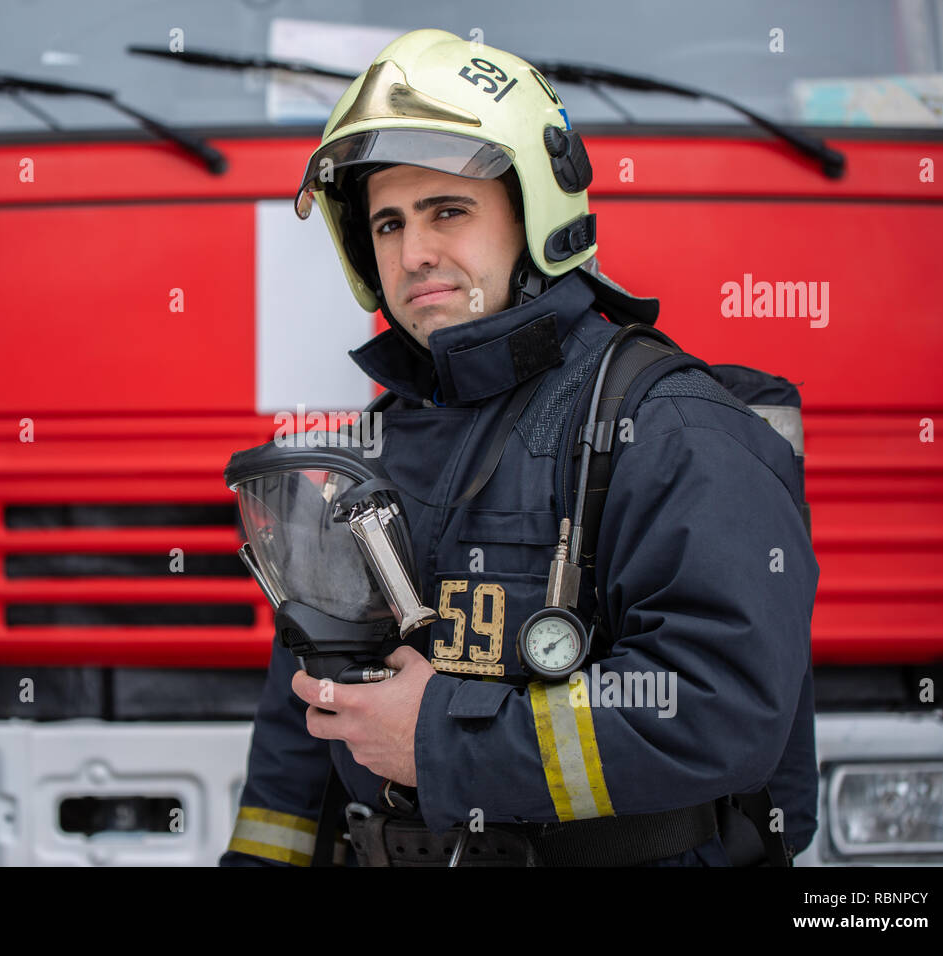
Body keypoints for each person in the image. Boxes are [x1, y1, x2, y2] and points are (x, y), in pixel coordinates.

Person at [220, 28, 818, 867]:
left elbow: (722, 709)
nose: (414, 252)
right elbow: (303, 720)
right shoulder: (379, 442)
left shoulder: (674, 428)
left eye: (448, 211)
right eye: (388, 223)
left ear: (536, 213)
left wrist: (440, 740)